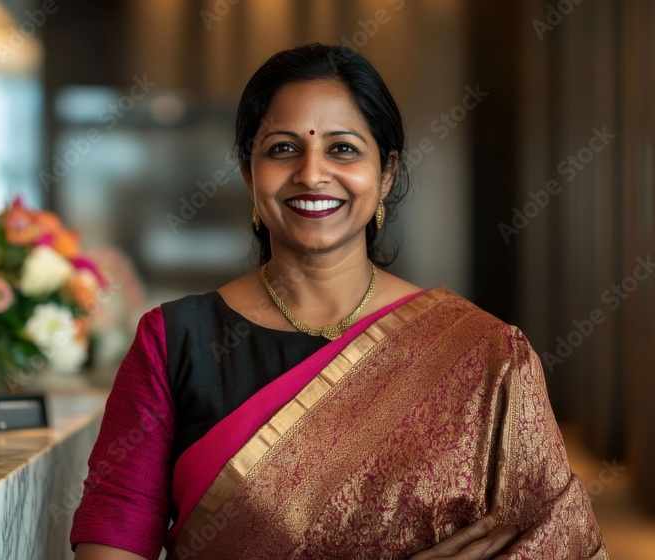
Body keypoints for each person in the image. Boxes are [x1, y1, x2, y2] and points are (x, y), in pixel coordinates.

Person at [70, 44, 607, 559]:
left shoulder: (486, 355)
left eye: (343, 148)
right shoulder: (174, 342)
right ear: (246, 170)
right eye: (283, 148)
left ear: (386, 171)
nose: (311, 173)